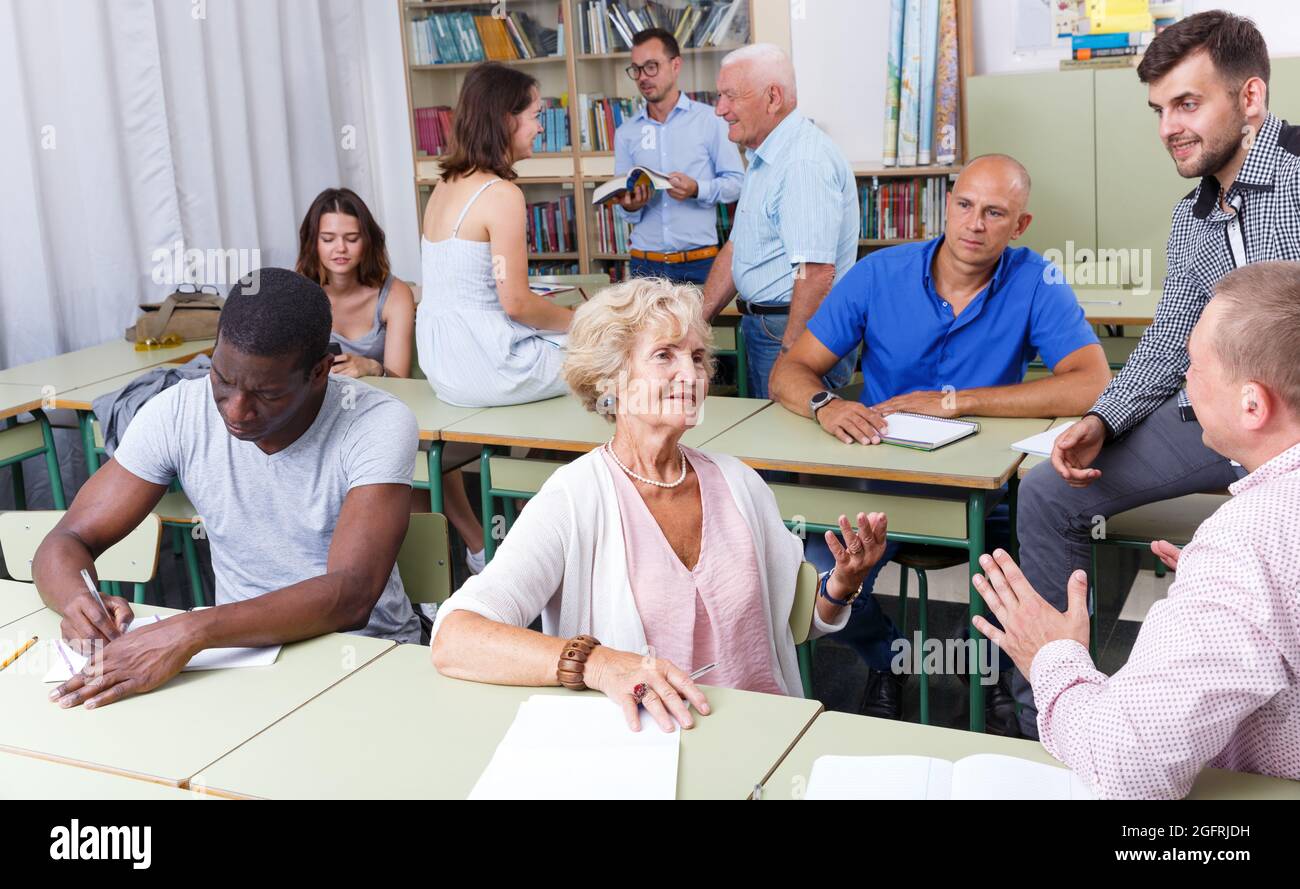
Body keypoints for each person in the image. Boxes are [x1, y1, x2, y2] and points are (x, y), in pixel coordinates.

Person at [430, 278, 889, 731]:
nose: (690, 375)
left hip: (761, 737)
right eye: (665, 355)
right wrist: (599, 663)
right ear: (611, 377)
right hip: (646, 750)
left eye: (696, 358)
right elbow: (455, 638)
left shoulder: (740, 483)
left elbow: (792, 617)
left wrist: (842, 585)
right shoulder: (574, 499)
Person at [1015, 10, 1300, 738]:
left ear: (1251, 99)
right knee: (1049, 489)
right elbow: (1170, 341)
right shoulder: (1191, 218)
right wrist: (1100, 419)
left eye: (1187, 103)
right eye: (1159, 110)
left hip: (1290, 432)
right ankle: (1057, 710)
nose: (1168, 126)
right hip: (1218, 424)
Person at [769, 154, 1110, 728]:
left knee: (1051, 566)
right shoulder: (881, 274)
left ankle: (1009, 671)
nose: (975, 223)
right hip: (883, 483)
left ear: (1019, 226)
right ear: (946, 206)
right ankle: (889, 660)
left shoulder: (1035, 278)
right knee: (812, 572)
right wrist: (827, 404)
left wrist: (955, 400)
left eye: (995, 212)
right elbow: (790, 371)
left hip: (992, 491)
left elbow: (1093, 381)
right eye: (965, 205)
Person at [971, 262, 1300, 798]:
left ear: (1252, 404)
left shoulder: (1247, 542)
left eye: (1194, 367)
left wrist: (1053, 661)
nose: (1184, 383)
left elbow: (1131, 773)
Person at [36, 268, 421, 710]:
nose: (236, 410)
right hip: (240, 659)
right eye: (223, 379)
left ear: (319, 372)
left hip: (363, 656)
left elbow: (350, 594)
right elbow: (67, 539)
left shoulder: (376, 422)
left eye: (267, 394)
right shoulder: (177, 411)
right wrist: (78, 602)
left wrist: (191, 631)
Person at [298, 187, 486, 576]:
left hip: (381, 410)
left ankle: (437, 572)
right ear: (312, 242)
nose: (340, 249)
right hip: (320, 416)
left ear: (368, 240)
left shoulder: (393, 292)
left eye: (351, 238)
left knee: (406, 455)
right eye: (328, 238)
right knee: (408, 463)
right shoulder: (300, 292)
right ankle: (466, 553)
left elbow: (400, 379)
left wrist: (371, 367)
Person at [700, 43, 859, 399]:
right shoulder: (766, 155)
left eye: (730, 96)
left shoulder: (804, 162)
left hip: (794, 329)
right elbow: (737, 247)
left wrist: (791, 357)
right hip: (770, 326)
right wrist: (696, 322)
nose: (720, 109)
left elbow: (814, 272)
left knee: (792, 445)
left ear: (773, 97)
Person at [416, 62, 575, 408]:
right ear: (506, 119)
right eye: (534, 116)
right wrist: (583, 322)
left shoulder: (444, 185)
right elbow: (516, 304)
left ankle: (539, 454)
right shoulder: (500, 194)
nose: (539, 128)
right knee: (620, 353)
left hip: (444, 367)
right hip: (489, 367)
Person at [614, 28, 744, 285]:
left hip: (698, 263)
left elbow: (738, 184)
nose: (642, 77)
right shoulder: (625, 132)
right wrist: (630, 205)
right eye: (636, 69)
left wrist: (697, 189)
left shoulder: (710, 120)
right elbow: (624, 206)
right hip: (644, 264)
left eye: (651, 67)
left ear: (676, 65)